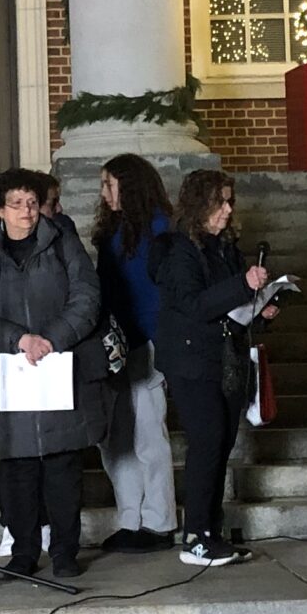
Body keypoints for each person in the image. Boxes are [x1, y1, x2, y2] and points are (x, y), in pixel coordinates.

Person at [0, 166, 109, 579]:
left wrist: (52, 337)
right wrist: (18, 339)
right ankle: (24, 552)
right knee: (16, 467)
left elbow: (87, 295)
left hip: (56, 364)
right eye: (16, 204)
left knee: (62, 466)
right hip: (11, 369)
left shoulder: (63, 240)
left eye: (31, 203)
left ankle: (65, 552)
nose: (26, 212)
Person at [150, 169, 262, 568]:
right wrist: (244, 286)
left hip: (225, 358)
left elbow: (234, 304)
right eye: (221, 202)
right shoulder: (179, 249)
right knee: (207, 442)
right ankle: (195, 535)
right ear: (200, 205)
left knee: (222, 442)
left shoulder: (225, 247)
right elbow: (195, 304)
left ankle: (211, 531)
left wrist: (264, 305)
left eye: (230, 201)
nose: (228, 210)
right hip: (191, 360)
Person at [93, 154, 176, 552]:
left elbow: (162, 292)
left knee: (148, 436)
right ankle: (130, 518)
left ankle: (158, 521)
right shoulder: (113, 231)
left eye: (109, 184)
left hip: (147, 342)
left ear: (130, 186)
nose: (104, 193)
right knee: (116, 440)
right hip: (115, 344)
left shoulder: (161, 228)